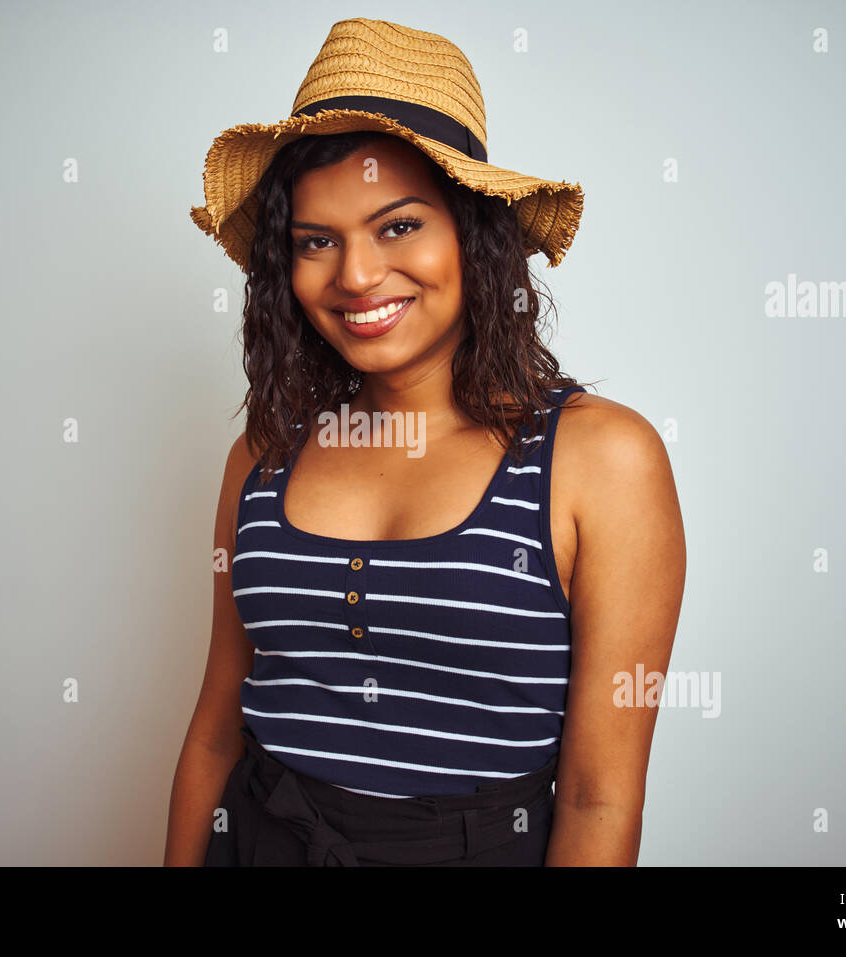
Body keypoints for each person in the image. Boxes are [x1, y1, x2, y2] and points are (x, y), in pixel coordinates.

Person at [165, 17, 685, 866]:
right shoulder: (261, 458)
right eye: (316, 242)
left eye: (398, 225)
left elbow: (599, 799)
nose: (357, 276)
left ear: (472, 234)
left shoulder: (600, 459)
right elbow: (215, 735)